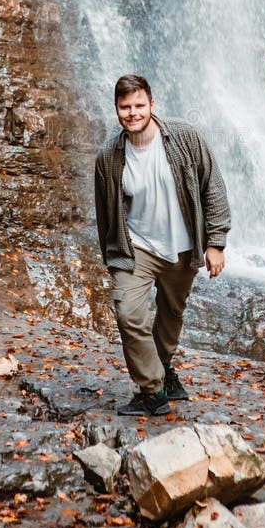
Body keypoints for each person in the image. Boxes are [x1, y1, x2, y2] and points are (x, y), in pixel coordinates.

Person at [94, 74, 231, 416]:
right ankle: (152, 390)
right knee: (128, 312)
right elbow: (105, 212)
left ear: (152, 105)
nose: (133, 113)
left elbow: (213, 187)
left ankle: (165, 369)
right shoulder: (108, 156)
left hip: (183, 246)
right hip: (136, 248)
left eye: (139, 105)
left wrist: (216, 242)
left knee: (172, 312)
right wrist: (112, 256)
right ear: (116, 109)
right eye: (125, 107)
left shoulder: (185, 136)